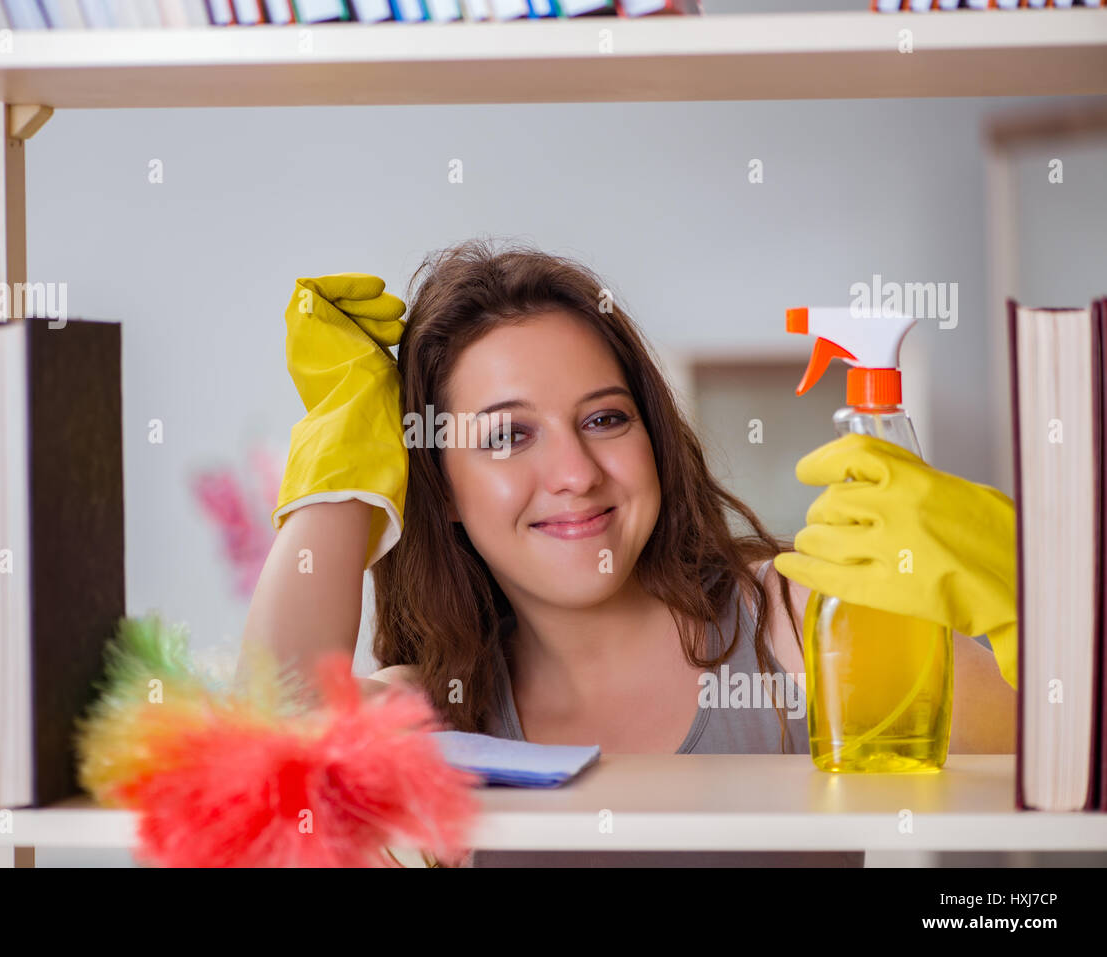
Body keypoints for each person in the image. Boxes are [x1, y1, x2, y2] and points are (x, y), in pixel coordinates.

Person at [241, 237, 1017, 868]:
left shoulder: (799, 622)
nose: (576, 474)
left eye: (606, 419)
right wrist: (343, 455)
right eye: (509, 435)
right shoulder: (439, 709)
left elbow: (1068, 771)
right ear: (438, 487)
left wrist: (1028, 593)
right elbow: (259, 774)